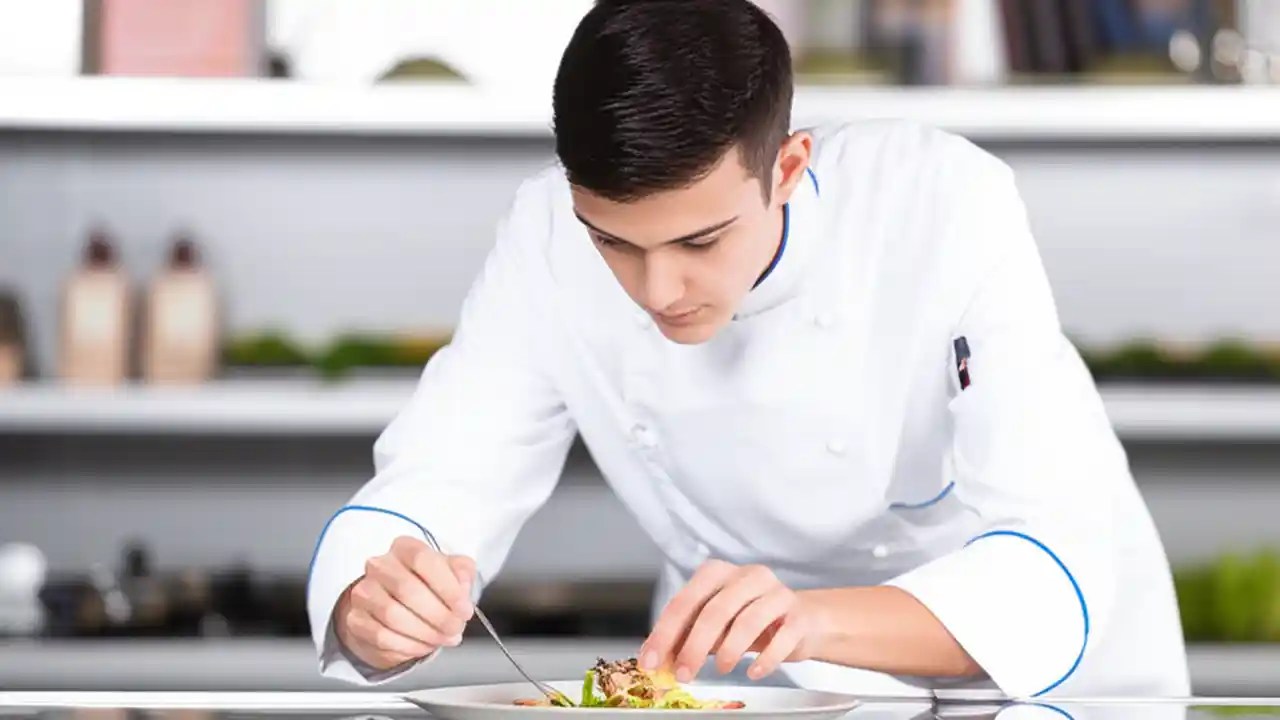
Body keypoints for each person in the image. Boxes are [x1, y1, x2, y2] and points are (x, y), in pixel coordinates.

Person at [306, 0, 1189, 699]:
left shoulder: (943, 206)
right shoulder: (543, 238)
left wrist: (805, 619)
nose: (657, 291)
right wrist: (371, 603)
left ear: (790, 166)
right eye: (613, 243)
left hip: (1032, 676)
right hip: (745, 676)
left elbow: (1055, 564)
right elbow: (439, 479)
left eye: (699, 242)